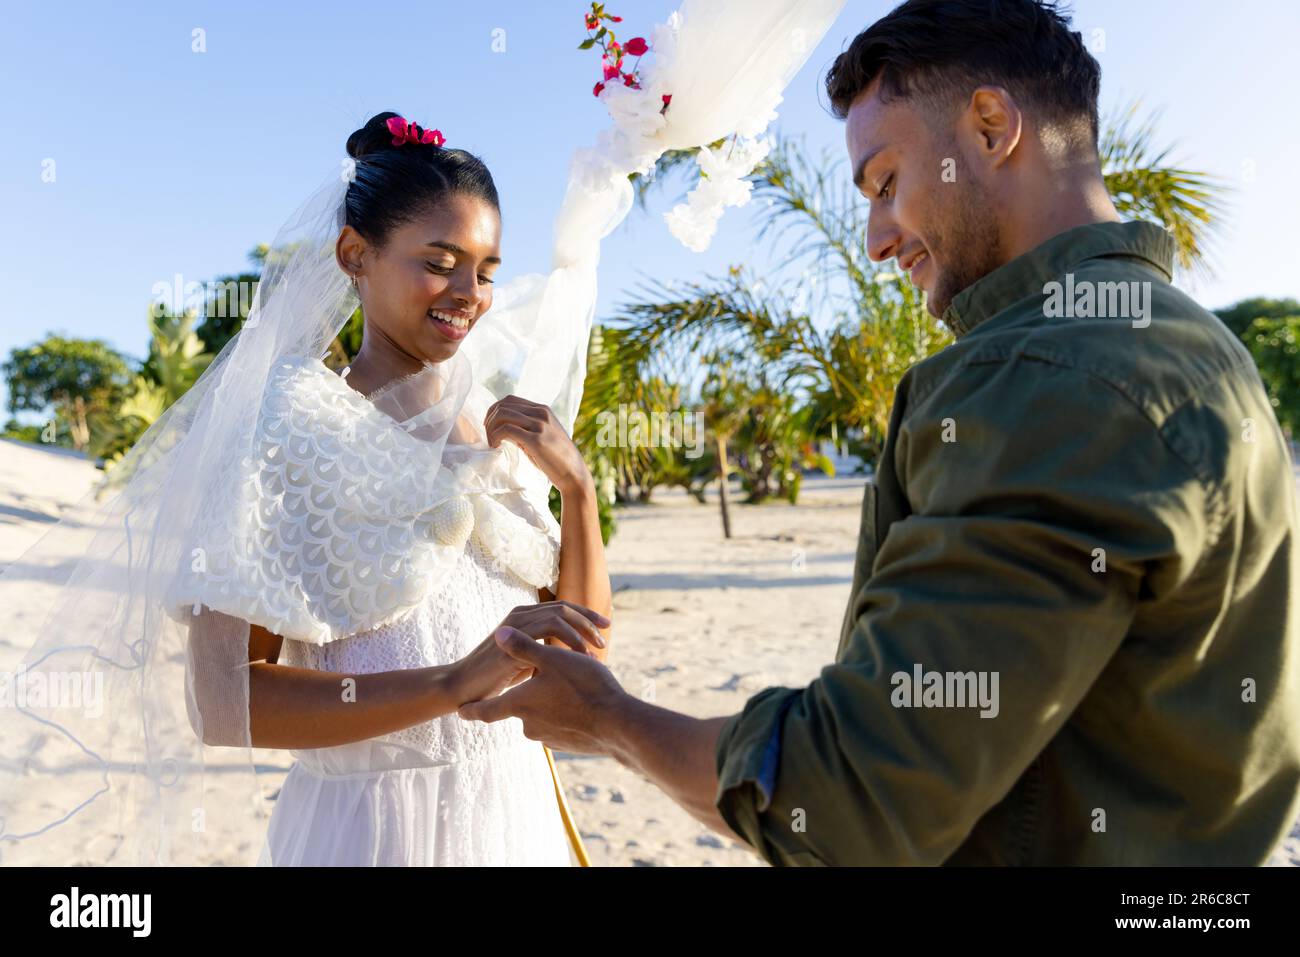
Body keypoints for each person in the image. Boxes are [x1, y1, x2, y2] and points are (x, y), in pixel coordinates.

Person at [459, 0, 1300, 865]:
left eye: (886, 181)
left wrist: (608, 717)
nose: (874, 239)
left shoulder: (1047, 376)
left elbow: (852, 794)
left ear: (988, 125)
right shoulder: (1194, 347)